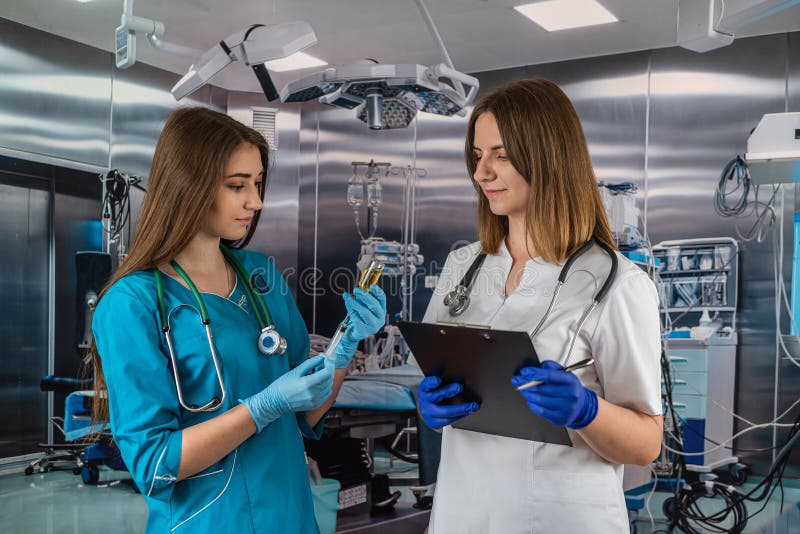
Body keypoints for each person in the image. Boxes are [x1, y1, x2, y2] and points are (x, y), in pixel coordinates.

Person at [90, 107, 386, 533]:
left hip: (290, 517)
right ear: (188, 186)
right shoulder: (131, 304)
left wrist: (347, 342)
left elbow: (307, 412)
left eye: (258, 183)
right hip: (209, 522)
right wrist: (263, 407)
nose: (257, 201)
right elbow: (154, 463)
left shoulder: (260, 277)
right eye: (237, 185)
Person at [416, 79, 663, 533]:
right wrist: (430, 408)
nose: (481, 173)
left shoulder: (617, 283)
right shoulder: (462, 266)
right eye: (477, 155)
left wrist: (587, 411)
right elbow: (438, 393)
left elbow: (647, 443)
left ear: (549, 157)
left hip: (559, 518)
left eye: (502, 155)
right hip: (461, 515)